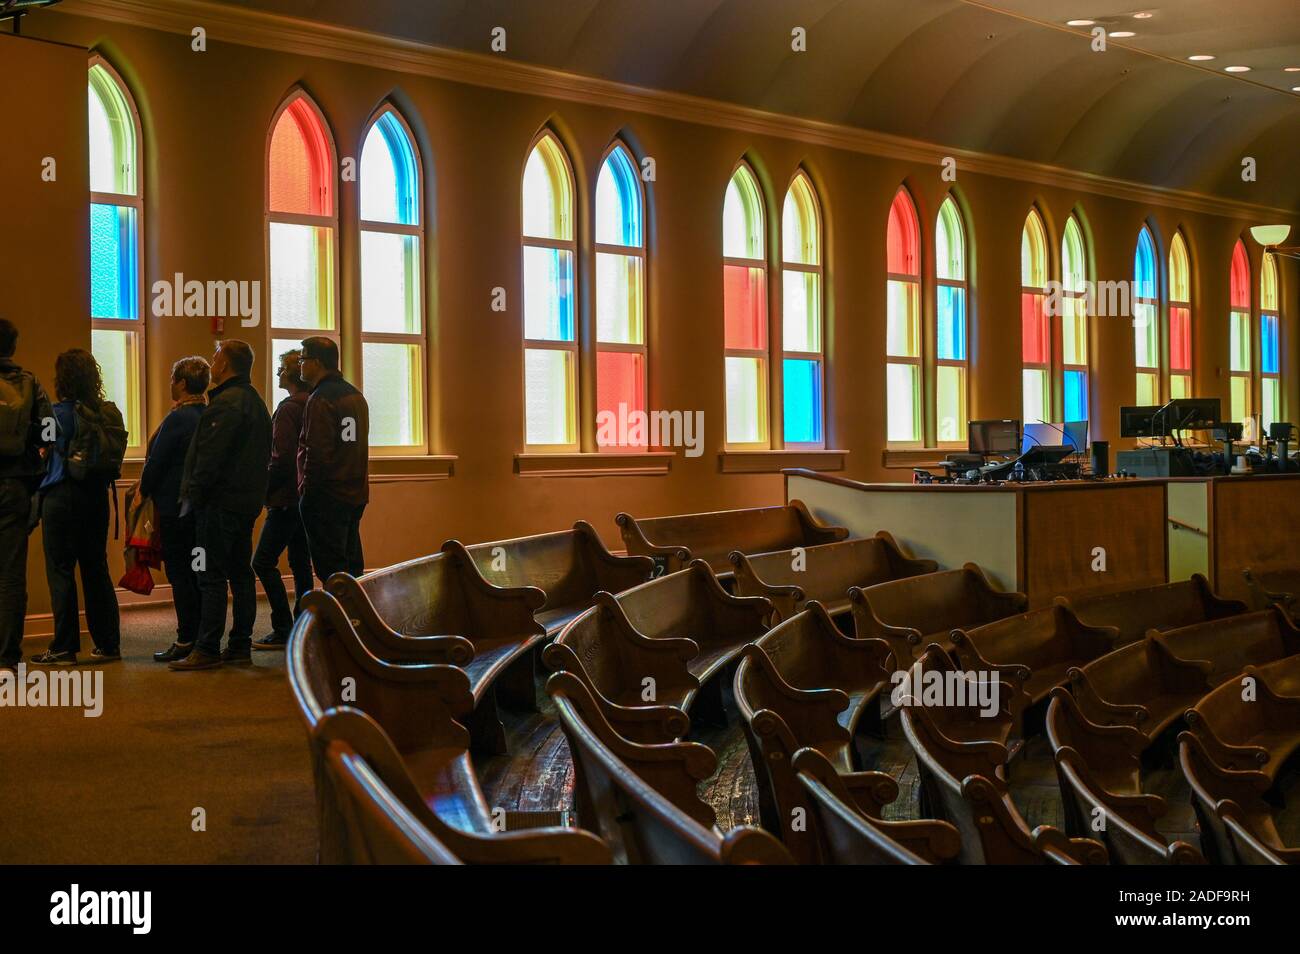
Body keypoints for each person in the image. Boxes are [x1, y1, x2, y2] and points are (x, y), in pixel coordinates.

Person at [170, 340, 271, 671]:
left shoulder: (226, 404)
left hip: (217, 504)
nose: (211, 365)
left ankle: (207, 647)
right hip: (245, 502)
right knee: (240, 574)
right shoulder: (256, 403)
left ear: (226, 366)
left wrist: (193, 498)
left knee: (208, 574)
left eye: (215, 358)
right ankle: (240, 644)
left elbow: (210, 458)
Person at [33, 349, 123, 665]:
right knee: (96, 569)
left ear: (62, 379)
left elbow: (41, 451)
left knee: (60, 572)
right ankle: (109, 643)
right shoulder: (105, 413)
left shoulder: (54, 415)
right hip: (96, 497)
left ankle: (64, 647)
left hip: (61, 498)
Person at [139, 356, 209, 662]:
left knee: (180, 573)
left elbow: (157, 461)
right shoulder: (208, 414)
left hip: (174, 507)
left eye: (172, 379)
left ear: (181, 383)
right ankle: (204, 635)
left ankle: (186, 637)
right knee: (199, 571)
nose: (170, 384)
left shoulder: (178, 419)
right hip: (200, 507)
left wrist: (142, 492)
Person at [250, 349, 313, 651]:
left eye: (280, 369)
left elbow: (281, 457)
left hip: (285, 497)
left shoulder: (288, 408)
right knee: (301, 562)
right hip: (303, 496)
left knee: (262, 562)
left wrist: (264, 490)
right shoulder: (312, 403)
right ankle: (303, 622)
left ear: (291, 374)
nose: (277, 374)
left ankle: (282, 626)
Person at [0, 318, 54, 671]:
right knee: (10, 574)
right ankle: (7, 658)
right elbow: (50, 432)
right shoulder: (30, 383)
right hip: (15, 486)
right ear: (13, 347)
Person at [297, 336, 369, 582]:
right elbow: (352, 447)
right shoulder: (356, 396)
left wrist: (308, 496)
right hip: (354, 494)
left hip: (327, 498)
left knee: (332, 573)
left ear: (316, 362)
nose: (300, 365)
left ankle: (338, 619)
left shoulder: (320, 399)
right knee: (351, 568)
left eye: (303, 359)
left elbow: (317, 453)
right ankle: (357, 617)